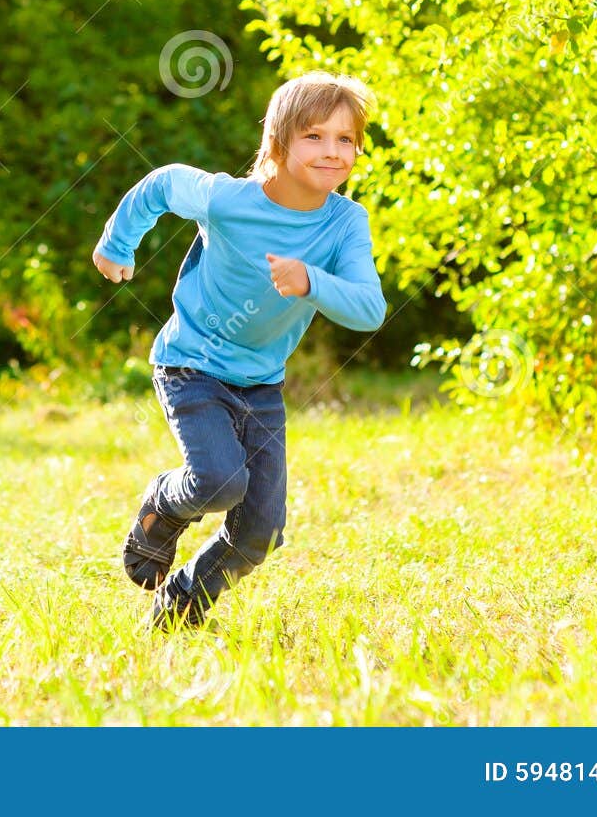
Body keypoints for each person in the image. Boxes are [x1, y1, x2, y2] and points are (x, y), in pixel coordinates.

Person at [92, 72, 387, 629]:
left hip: (261, 383)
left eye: (346, 140)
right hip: (192, 365)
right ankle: (163, 506)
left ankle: (181, 604)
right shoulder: (229, 200)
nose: (332, 152)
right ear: (278, 141)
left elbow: (369, 310)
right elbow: (163, 183)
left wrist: (312, 283)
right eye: (315, 136)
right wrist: (116, 243)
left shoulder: (347, 223)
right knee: (220, 481)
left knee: (262, 531)